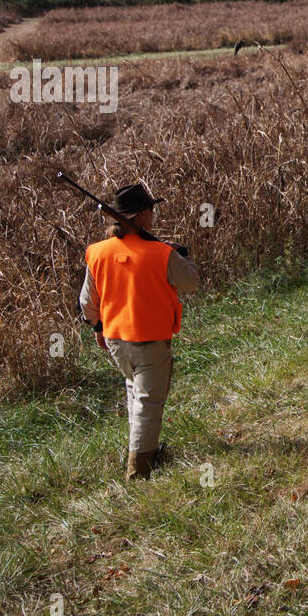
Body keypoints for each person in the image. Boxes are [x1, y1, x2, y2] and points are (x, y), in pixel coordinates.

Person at [80, 182, 198, 479]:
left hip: (116, 340)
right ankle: (139, 469)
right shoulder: (162, 254)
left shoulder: (96, 252)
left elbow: (86, 301)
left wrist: (97, 327)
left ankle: (145, 450)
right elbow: (191, 282)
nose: (154, 214)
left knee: (135, 390)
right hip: (149, 340)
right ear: (143, 216)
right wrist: (183, 254)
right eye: (151, 209)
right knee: (148, 402)